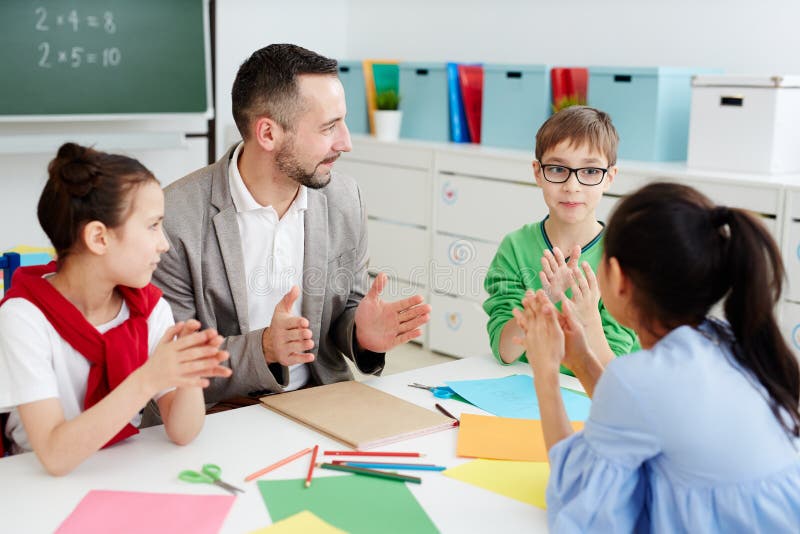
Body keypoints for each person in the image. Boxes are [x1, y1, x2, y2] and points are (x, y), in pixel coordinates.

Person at [152, 44, 430, 412]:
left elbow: (348, 305)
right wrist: (264, 348)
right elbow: (174, 358)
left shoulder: (344, 197)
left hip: (320, 401)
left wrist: (361, 334)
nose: (346, 142)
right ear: (267, 133)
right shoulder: (174, 217)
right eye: (329, 127)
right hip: (216, 414)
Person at [515, 182, 800, 531]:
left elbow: (578, 503)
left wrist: (545, 373)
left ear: (618, 278)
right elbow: (644, 411)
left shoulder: (639, 377)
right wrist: (581, 360)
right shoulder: (726, 339)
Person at [0, 143, 231, 475]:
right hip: (32, 480)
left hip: (120, 469)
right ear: (99, 238)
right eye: (152, 226)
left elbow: (183, 432)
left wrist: (188, 371)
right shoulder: (23, 318)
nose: (164, 243)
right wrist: (148, 379)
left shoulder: (150, 308)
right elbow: (53, 455)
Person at [483, 106, 638, 375]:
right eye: (557, 169)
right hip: (527, 391)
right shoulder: (515, 248)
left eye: (590, 171)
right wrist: (543, 300)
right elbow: (506, 351)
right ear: (538, 172)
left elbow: (613, 372)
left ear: (609, 178)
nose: (572, 186)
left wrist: (588, 315)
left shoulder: (625, 257)